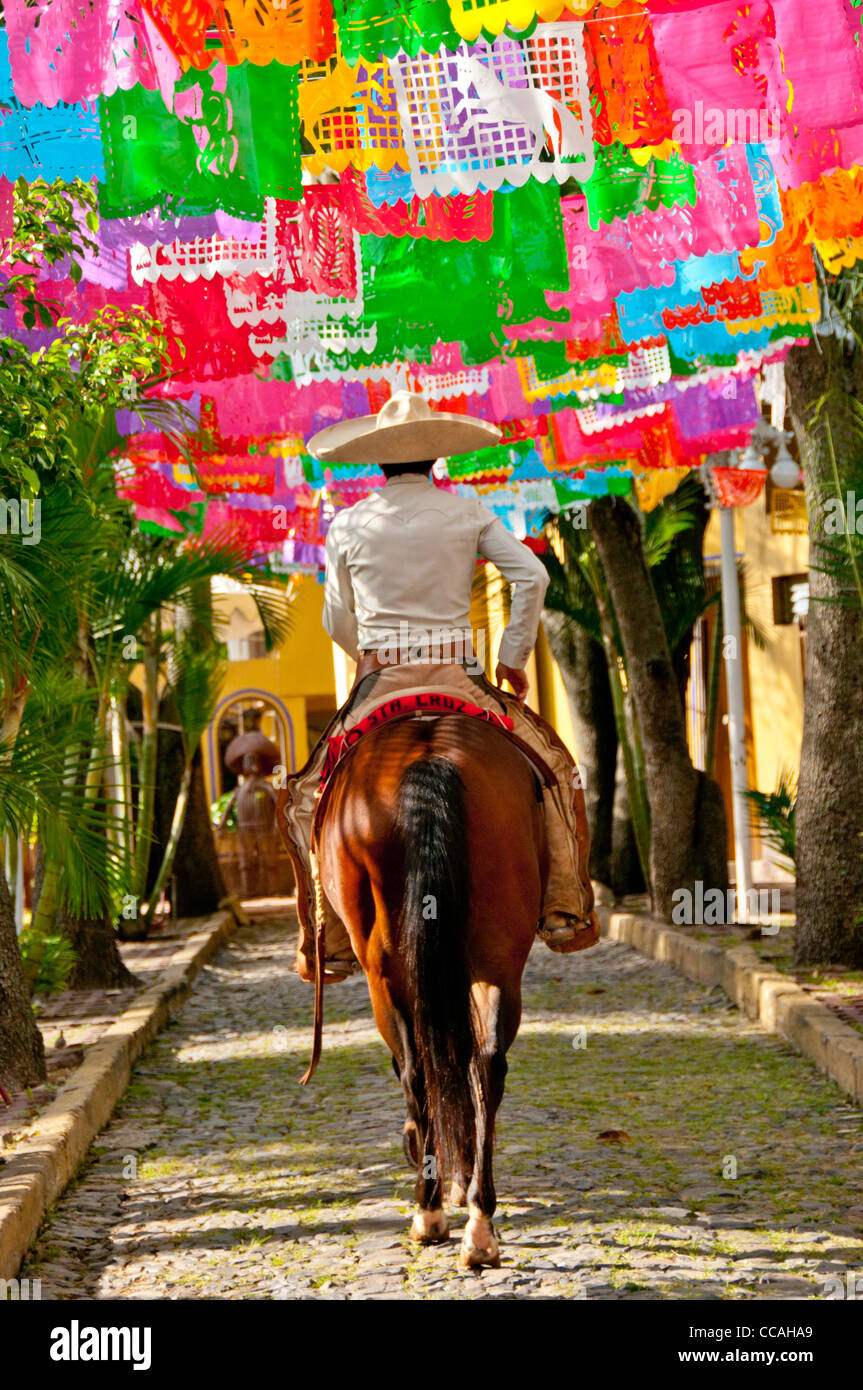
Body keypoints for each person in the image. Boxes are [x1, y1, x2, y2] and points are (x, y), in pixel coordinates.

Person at [281, 392, 599, 982]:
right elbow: (531, 573)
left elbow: (334, 620)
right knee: (554, 769)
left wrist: (368, 658)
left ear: (379, 460)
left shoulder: (348, 522)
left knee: (305, 796)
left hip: (381, 683)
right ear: (436, 460)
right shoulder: (468, 512)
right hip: (461, 678)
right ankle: (564, 907)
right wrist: (511, 658)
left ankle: (324, 937)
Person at [219, 752, 280, 898]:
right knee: (246, 863)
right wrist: (222, 826)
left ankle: (272, 890)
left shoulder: (267, 786)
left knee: (269, 860)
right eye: (248, 762)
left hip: (265, 829)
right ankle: (249, 891)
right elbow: (227, 808)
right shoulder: (239, 790)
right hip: (245, 830)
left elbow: (278, 805)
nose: (251, 765)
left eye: (253, 761)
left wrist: (277, 826)